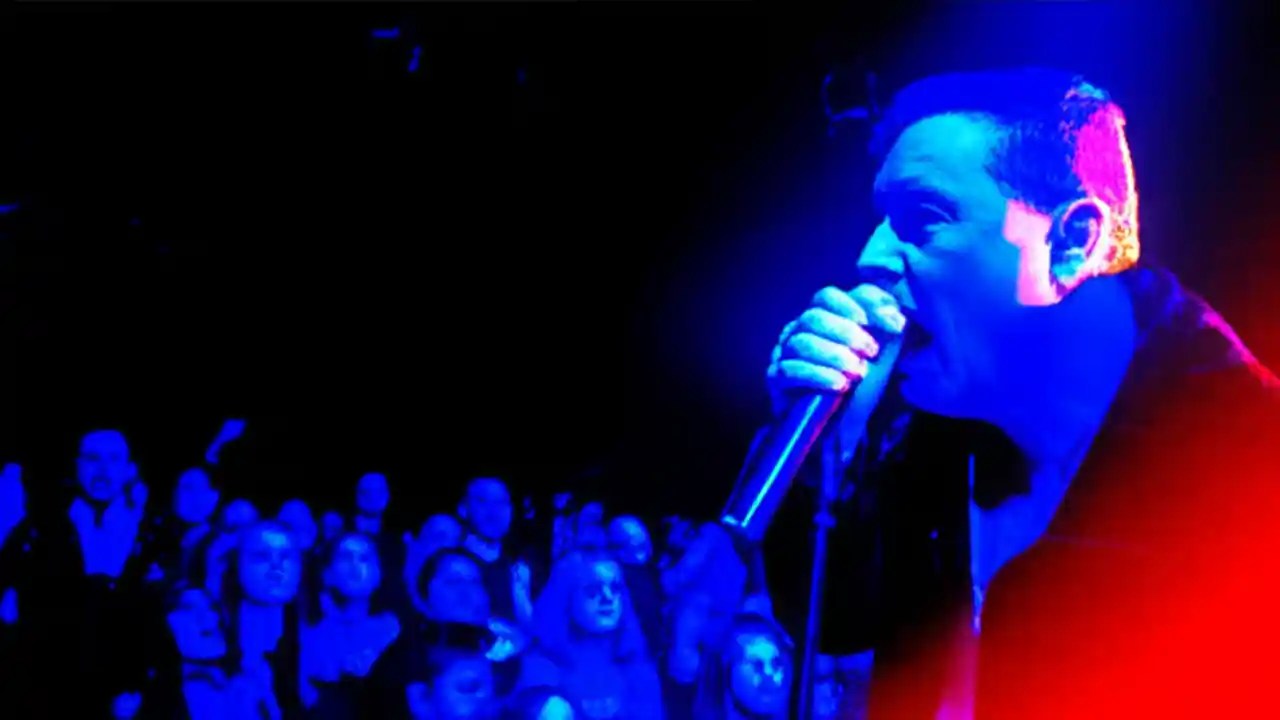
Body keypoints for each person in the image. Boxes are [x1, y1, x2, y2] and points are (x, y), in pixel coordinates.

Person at [682, 67, 1280, 719]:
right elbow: (839, 622)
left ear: (1070, 244)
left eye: (924, 217)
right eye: (881, 221)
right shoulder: (937, 429)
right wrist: (828, 456)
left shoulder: (1247, 461)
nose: (870, 258)